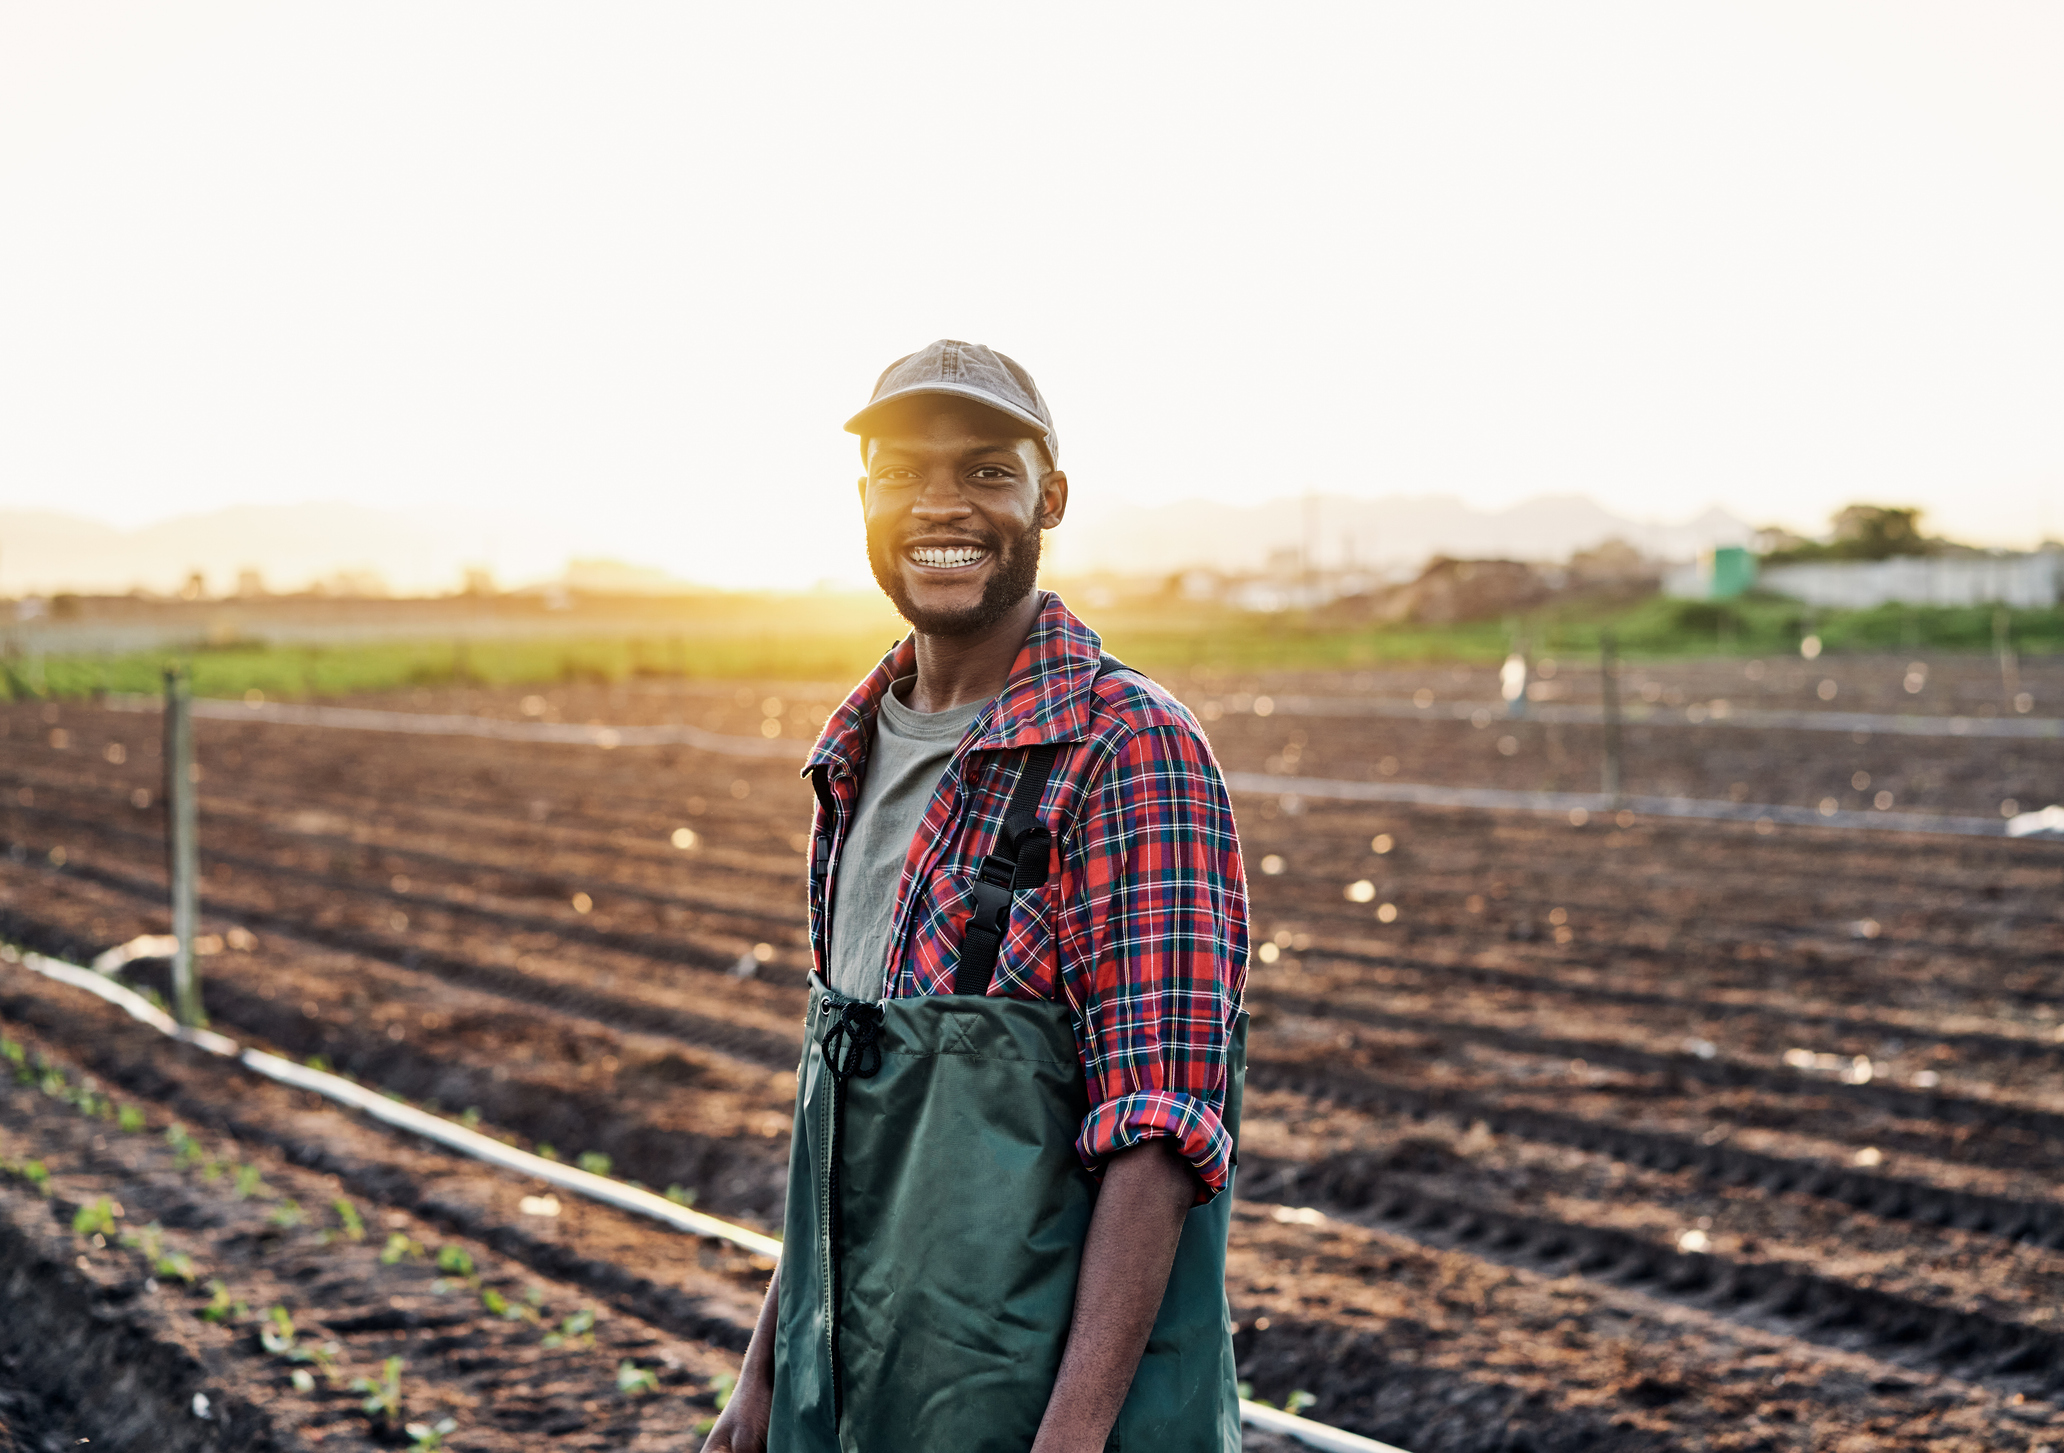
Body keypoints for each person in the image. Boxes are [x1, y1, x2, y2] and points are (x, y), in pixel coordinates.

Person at [703, 340, 1250, 1453]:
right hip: (854, 1401)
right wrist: (760, 1385)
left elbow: (1158, 1137)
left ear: (1049, 496)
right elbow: (843, 1129)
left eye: (987, 471)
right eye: (904, 472)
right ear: (865, 499)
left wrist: (1070, 1441)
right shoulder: (853, 754)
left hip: (1037, 1419)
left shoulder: (1126, 748)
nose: (941, 503)